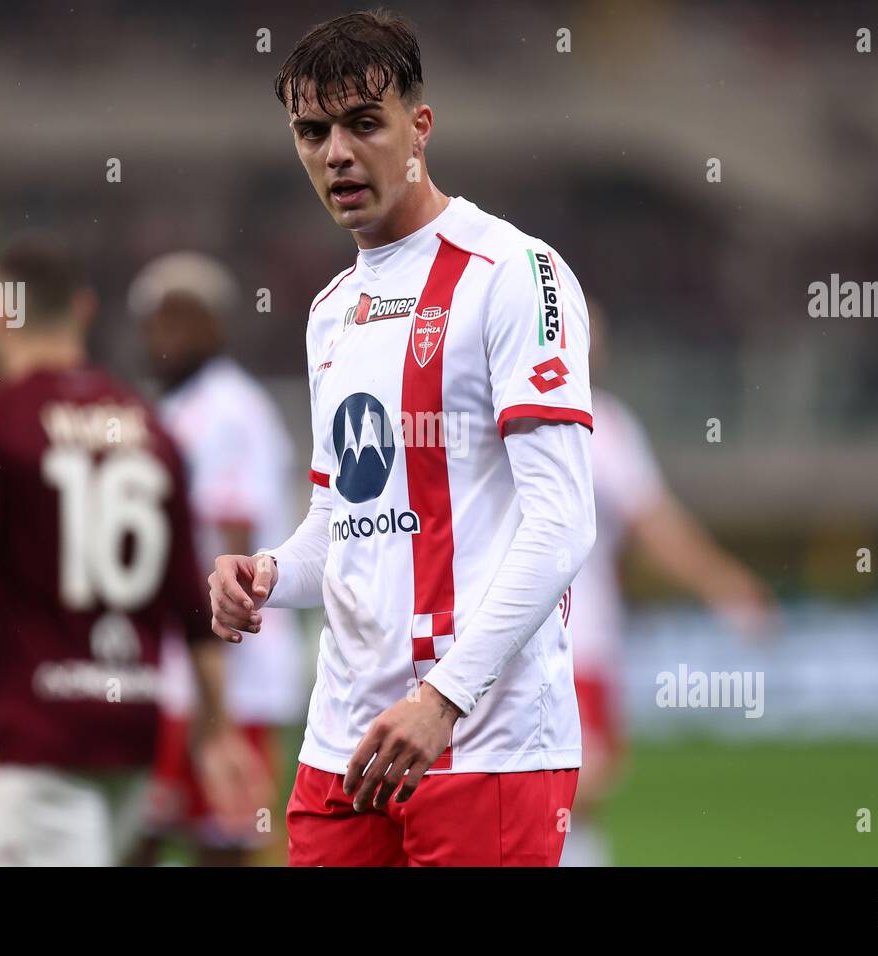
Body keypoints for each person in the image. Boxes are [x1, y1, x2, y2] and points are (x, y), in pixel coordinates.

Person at [209, 10, 597, 867]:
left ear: (419, 127)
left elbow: (565, 520)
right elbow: (342, 522)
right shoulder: (329, 312)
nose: (336, 153)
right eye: (312, 132)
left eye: (362, 124)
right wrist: (269, 573)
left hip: (483, 742)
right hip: (344, 746)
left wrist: (444, 698)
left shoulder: (514, 274)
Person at [0, 235, 260, 866]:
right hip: (130, 727)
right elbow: (190, 594)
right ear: (83, 309)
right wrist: (216, 727)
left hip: (34, 731)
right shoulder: (150, 428)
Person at [560, 304, 775, 866]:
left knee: (572, 795)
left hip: (581, 640)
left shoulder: (601, 426)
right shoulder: (583, 425)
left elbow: (651, 528)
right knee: (559, 793)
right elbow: (655, 527)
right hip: (546, 645)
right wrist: (725, 585)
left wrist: (721, 584)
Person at [128, 251, 304, 865]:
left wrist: (214, 693)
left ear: (214, 326)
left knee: (229, 842)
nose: (164, 336)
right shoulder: (175, 410)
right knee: (151, 833)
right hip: (184, 666)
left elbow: (234, 540)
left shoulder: (228, 410)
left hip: (233, 667)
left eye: (181, 319)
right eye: (156, 321)